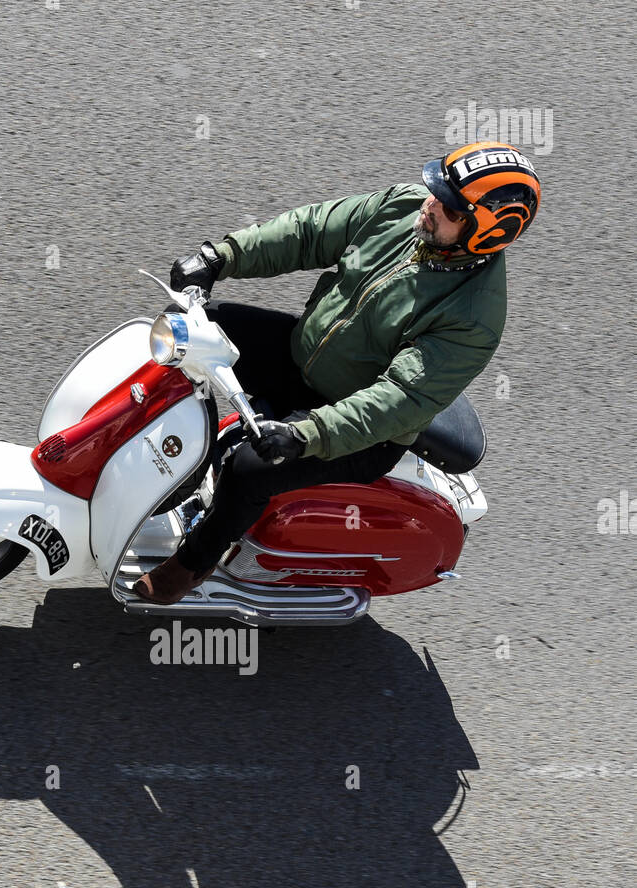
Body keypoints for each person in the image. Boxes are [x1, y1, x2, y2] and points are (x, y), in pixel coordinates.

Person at [134, 140, 540, 605]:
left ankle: (188, 567)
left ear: (485, 232)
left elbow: (394, 402)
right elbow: (309, 232)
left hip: (359, 430)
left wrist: (305, 433)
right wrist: (221, 256)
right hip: (301, 356)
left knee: (251, 468)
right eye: (435, 191)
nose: (430, 205)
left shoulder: (473, 317)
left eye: (447, 207)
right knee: (192, 331)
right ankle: (168, 462)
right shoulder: (406, 207)